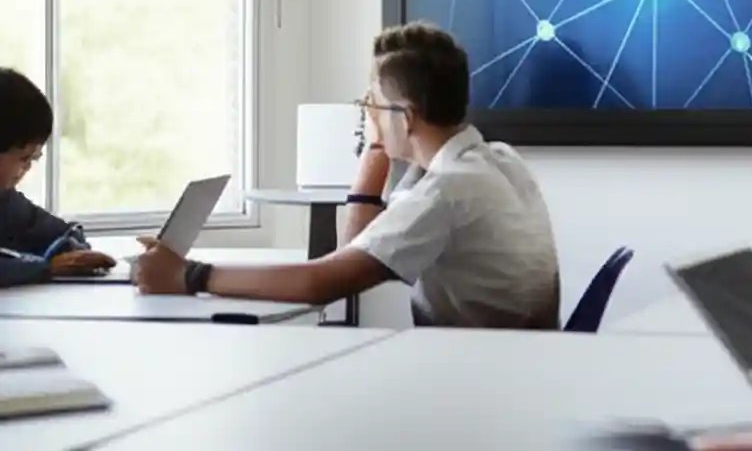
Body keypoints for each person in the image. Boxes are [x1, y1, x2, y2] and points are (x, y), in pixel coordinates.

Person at [132, 22, 562, 330]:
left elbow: (322, 282)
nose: (365, 113)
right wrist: (378, 145)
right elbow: (356, 247)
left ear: (406, 116)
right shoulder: (494, 159)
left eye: (370, 102)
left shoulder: (445, 191)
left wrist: (190, 275)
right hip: (517, 362)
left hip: (479, 378)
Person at [0, 68, 116, 285]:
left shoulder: (5, 200)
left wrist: (71, 249)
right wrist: (46, 268)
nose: (27, 169)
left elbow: (59, 231)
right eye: (24, 158)